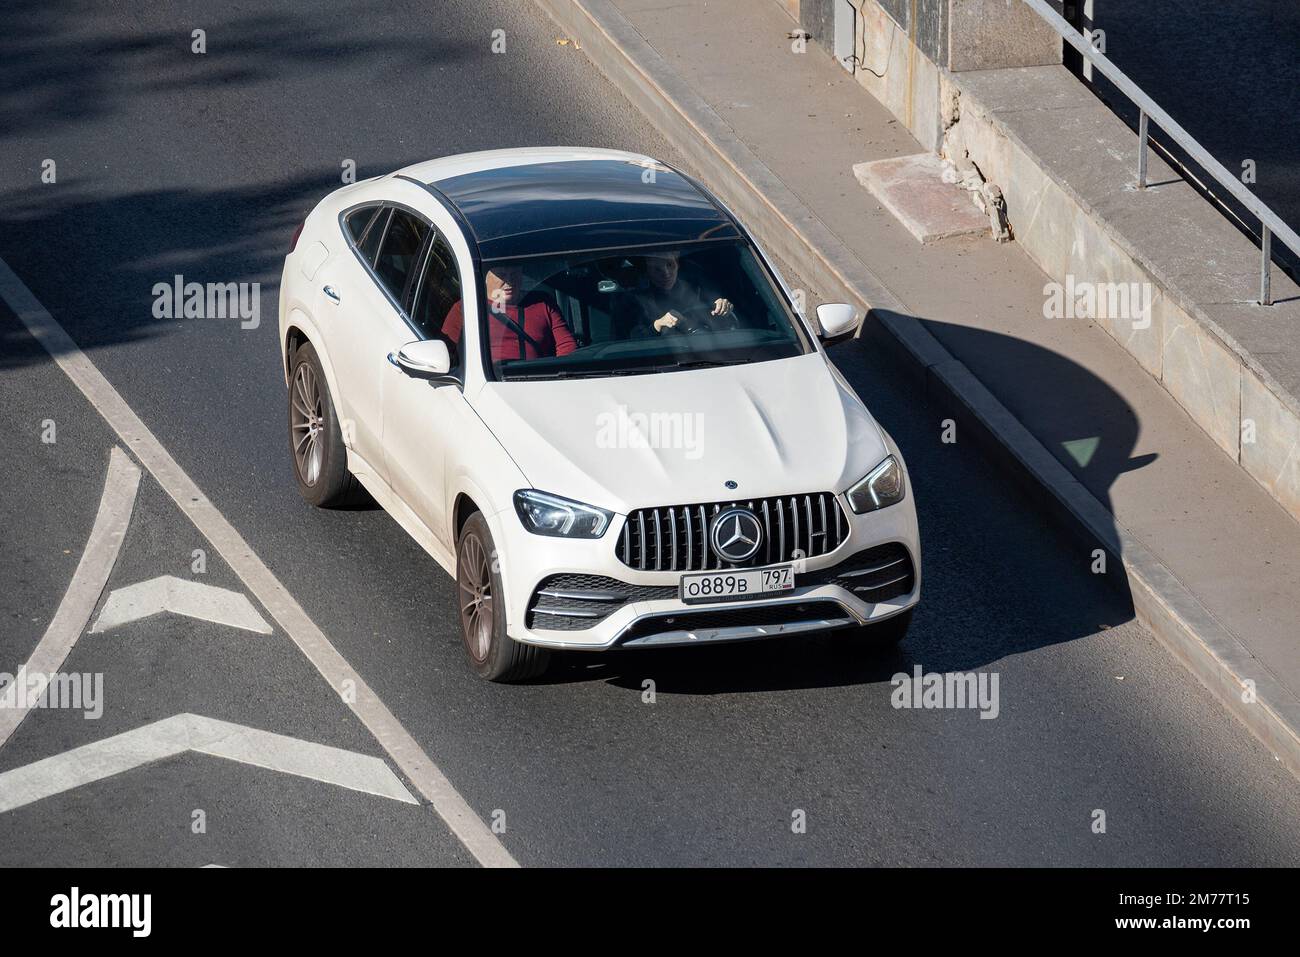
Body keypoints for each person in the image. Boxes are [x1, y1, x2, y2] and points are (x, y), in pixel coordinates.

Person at [442, 264, 577, 366]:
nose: (509, 281)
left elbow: (567, 348)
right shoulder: (466, 309)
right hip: (487, 386)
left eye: (514, 274)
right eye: (502, 275)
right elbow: (447, 357)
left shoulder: (542, 303)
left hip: (542, 380)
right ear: (485, 278)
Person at [617, 251, 736, 338]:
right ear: (647, 272)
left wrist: (724, 308)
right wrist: (657, 325)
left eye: (670, 265)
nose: (666, 274)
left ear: (677, 264)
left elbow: (730, 328)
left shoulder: (699, 288)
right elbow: (633, 342)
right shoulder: (636, 300)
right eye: (657, 269)